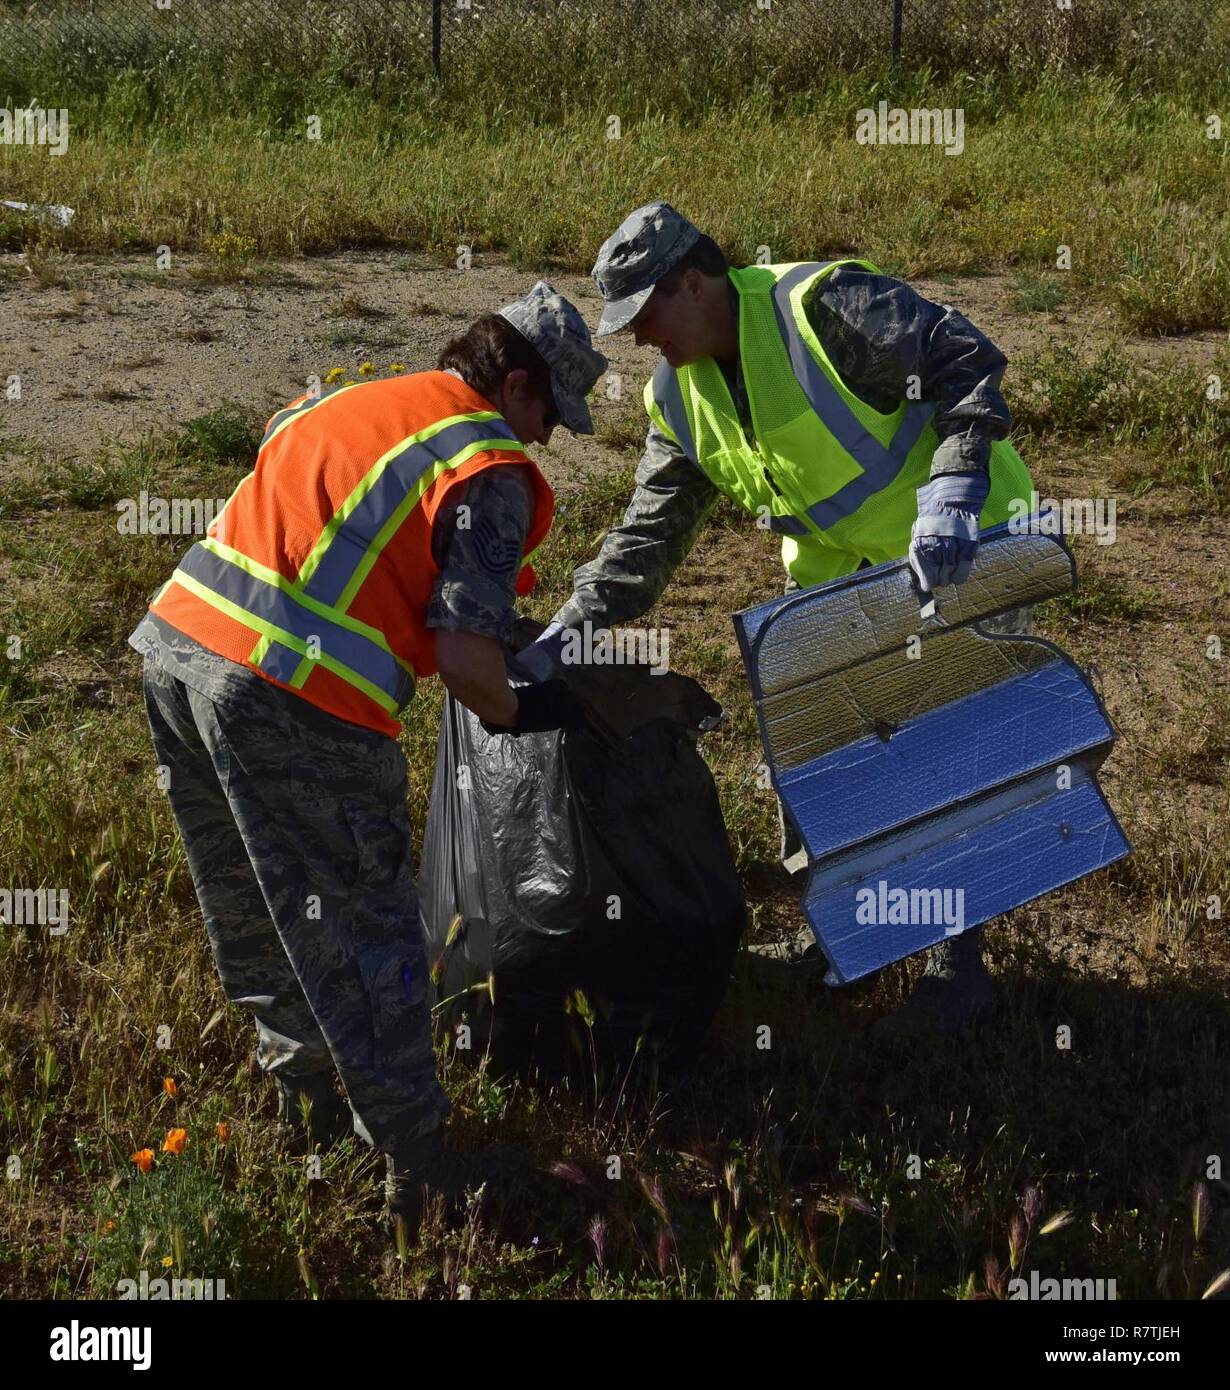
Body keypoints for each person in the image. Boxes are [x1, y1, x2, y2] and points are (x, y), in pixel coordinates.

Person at [127, 282, 606, 1228]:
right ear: (515, 384)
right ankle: (423, 1169)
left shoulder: (350, 399)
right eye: (550, 413)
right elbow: (469, 665)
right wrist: (532, 711)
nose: (545, 439)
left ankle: (306, 1116)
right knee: (369, 927)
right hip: (294, 700)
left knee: (259, 912)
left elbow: (316, 509)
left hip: (177, 651)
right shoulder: (487, 465)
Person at [522, 202, 1037, 1036]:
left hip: (960, 548)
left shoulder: (823, 308)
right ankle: (845, 930)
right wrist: (573, 624)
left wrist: (956, 484)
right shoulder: (681, 399)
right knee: (814, 751)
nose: (642, 337)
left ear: (694, 282)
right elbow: (650, 534)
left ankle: (956, 972)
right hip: (847, 584)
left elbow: (963, 358)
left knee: (941, 756)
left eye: (648, 314)